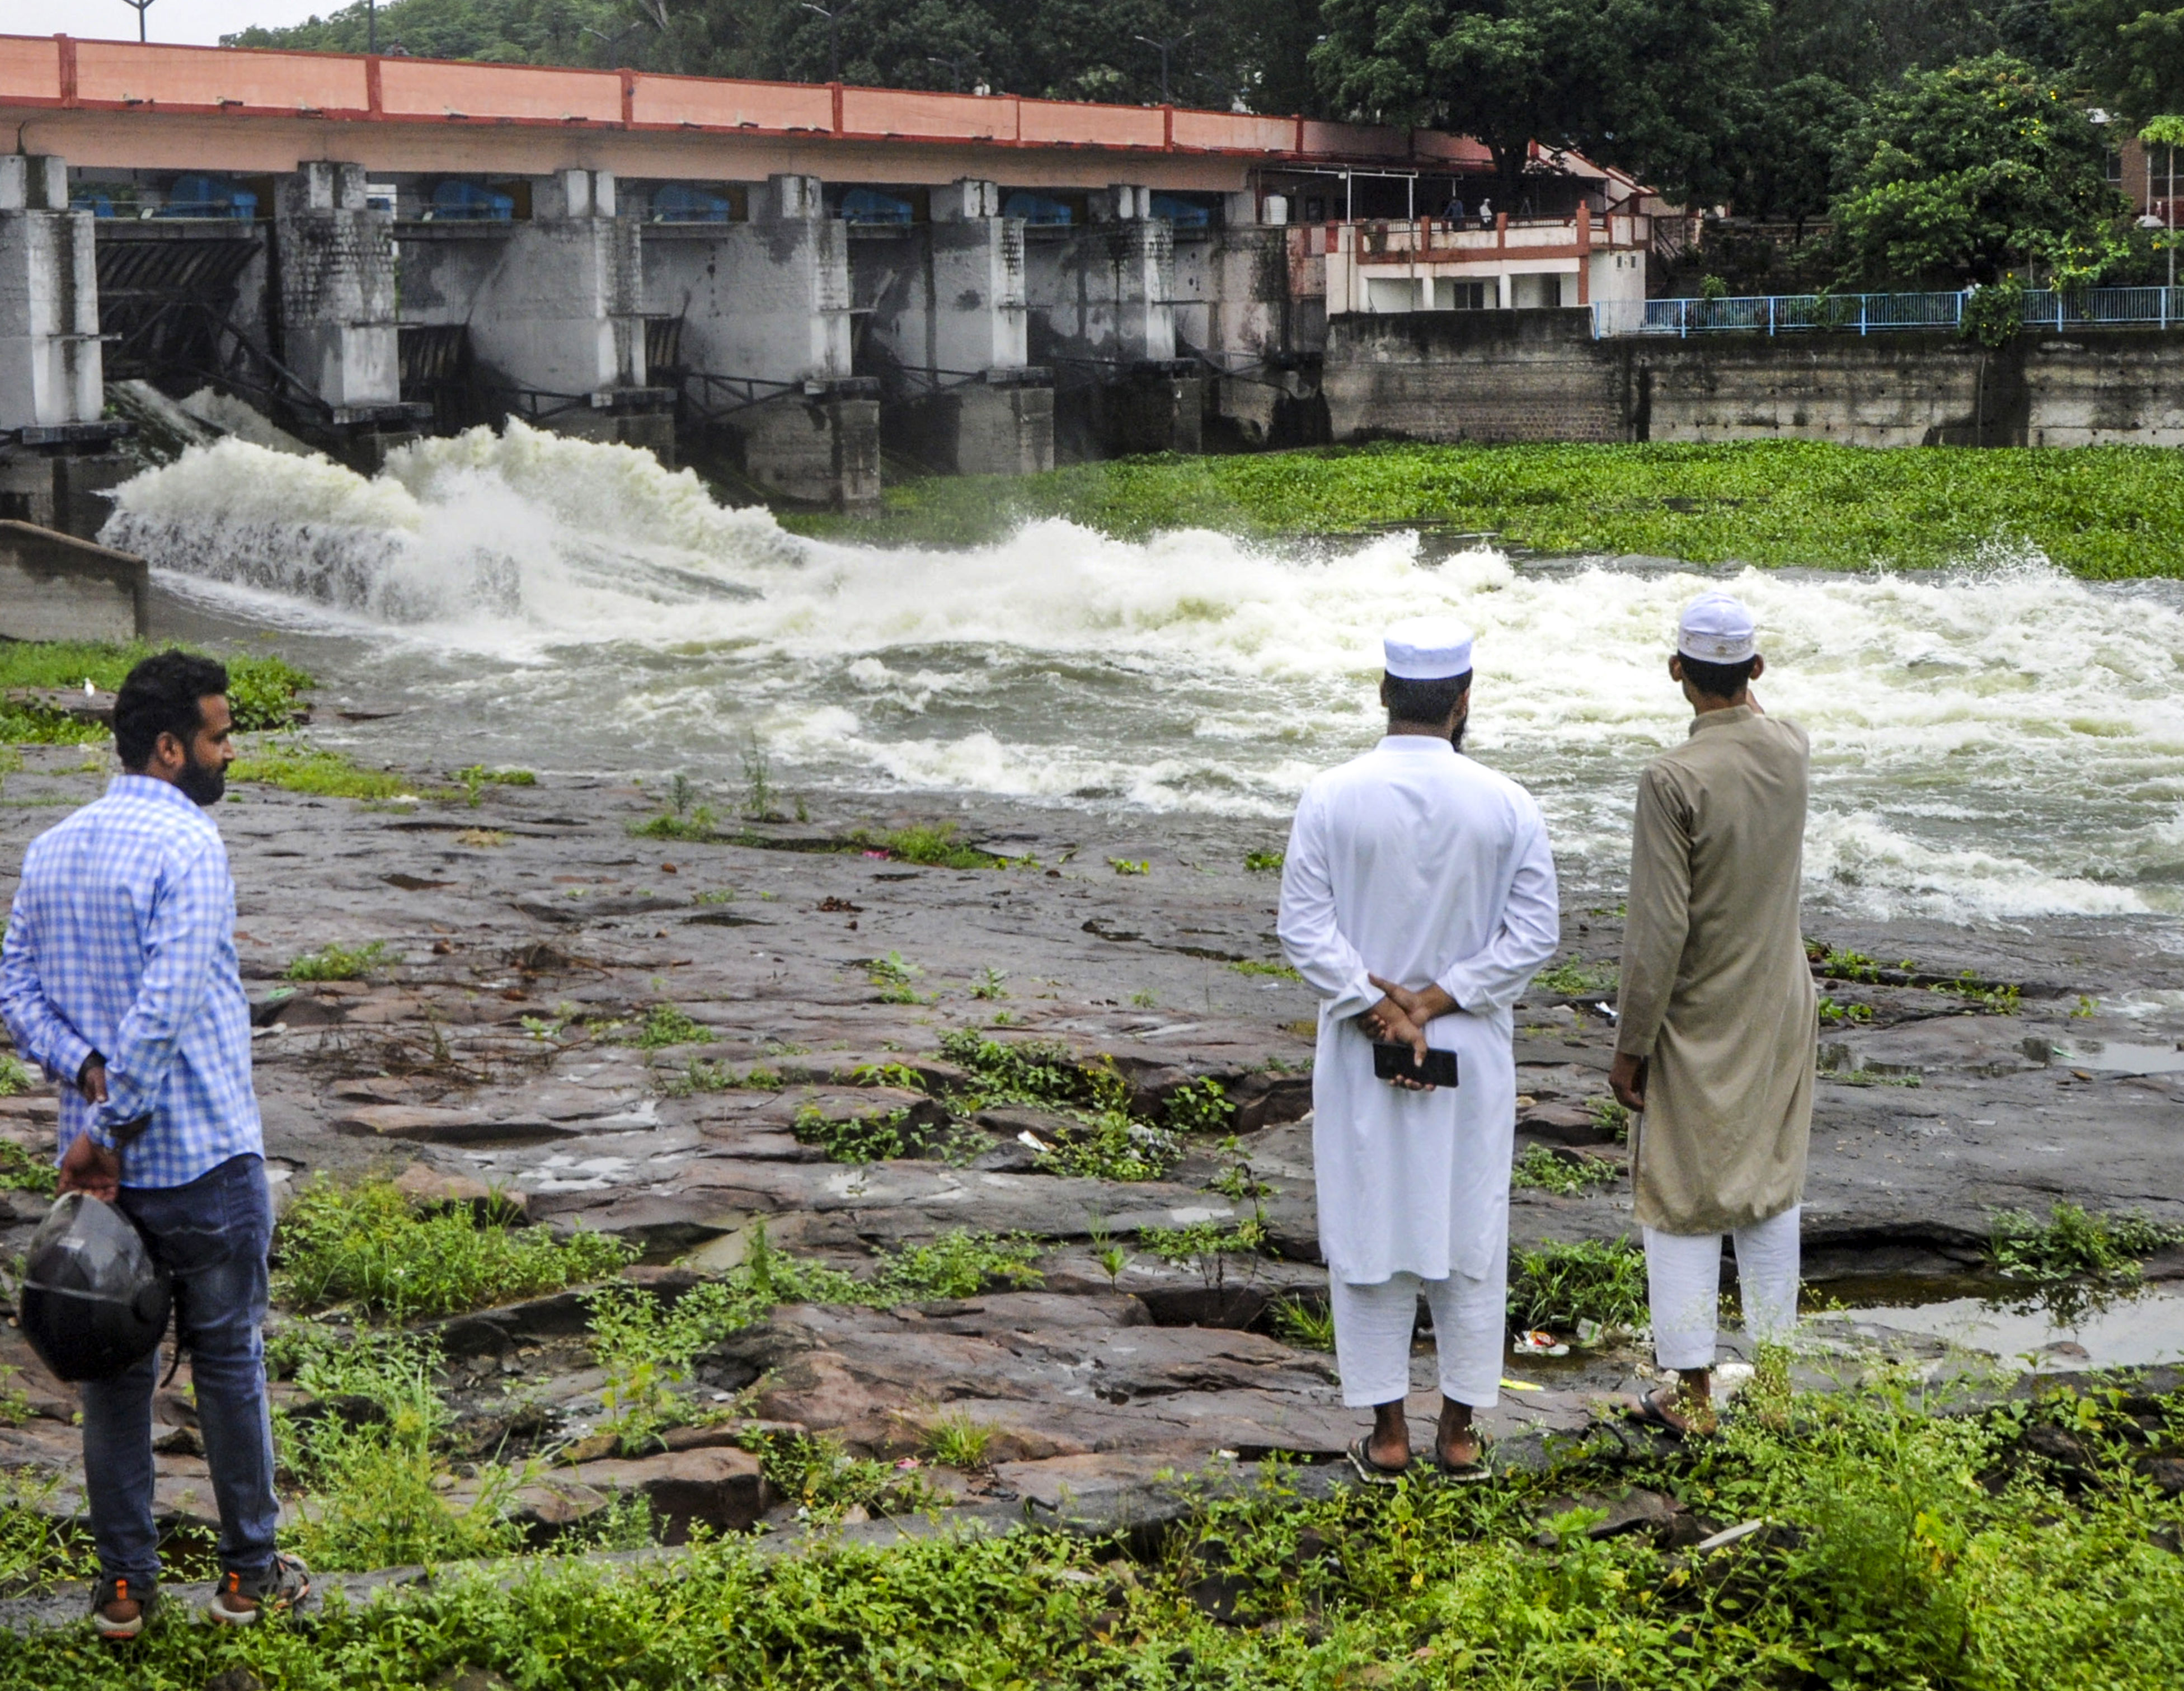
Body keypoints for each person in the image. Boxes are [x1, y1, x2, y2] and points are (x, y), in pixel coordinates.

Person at [0, 650, 309, 1640]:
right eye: (219, 735)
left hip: (103, 1183)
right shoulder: (190, 847)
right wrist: (119, 1110)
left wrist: (89, 1087)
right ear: (171, 748)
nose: (230, 752)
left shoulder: (51, 850)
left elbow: (15, 995)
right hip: (207, 1159)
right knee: (228, 1366)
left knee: (113, 1377)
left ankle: (125, 1589)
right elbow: (170, 1001)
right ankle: (251, 1577)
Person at [1279, 617, 1559, 1481]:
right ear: (1464, 700)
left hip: (1366, 1046)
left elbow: (1304, 926)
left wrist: (1378, 999)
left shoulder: (1331, 795)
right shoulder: (1508, 802)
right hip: (1468, 1045)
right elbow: (1535, 934)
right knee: (1469, 1228)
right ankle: (1462, 1435)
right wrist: (1441, 998)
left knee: (1369, 1226)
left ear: (1384, 692)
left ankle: (1390, 1435)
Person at [1608, 593, 1815, 1436]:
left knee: (1680, 1191)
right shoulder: (1793, 750)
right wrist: (1741, 686)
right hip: (1777, 1005)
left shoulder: (1672, 778)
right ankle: (1773, 1391)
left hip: (1699, 1015)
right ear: (1756, 671)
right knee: (1770, 1187)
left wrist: (1632, 1045)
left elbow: (1659, 931)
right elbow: (1759, 716)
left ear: (1676, 672)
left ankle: (1691, 1397)